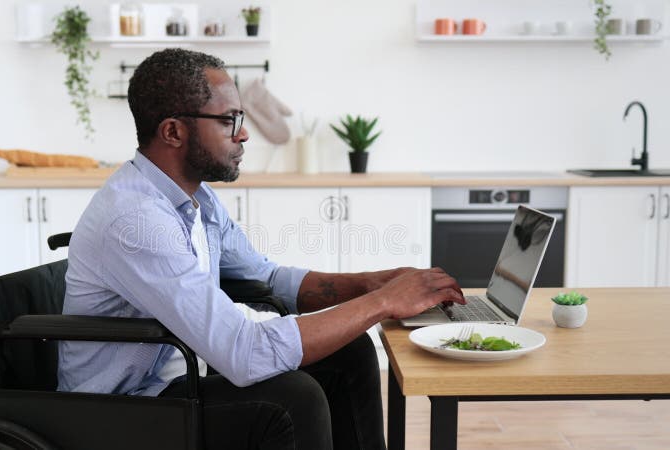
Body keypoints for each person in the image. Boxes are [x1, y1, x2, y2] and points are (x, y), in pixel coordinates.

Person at [58, 48, 465, 450]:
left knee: (350, 353)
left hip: (181, 377)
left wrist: (373, 283)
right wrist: (383, 302)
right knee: (290, 401)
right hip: (122, 407)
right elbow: (243, 353)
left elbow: (267, 277)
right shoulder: (138, 222)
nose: (244, 133)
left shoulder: (195, 198)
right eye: (229, 120)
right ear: (173, 132)